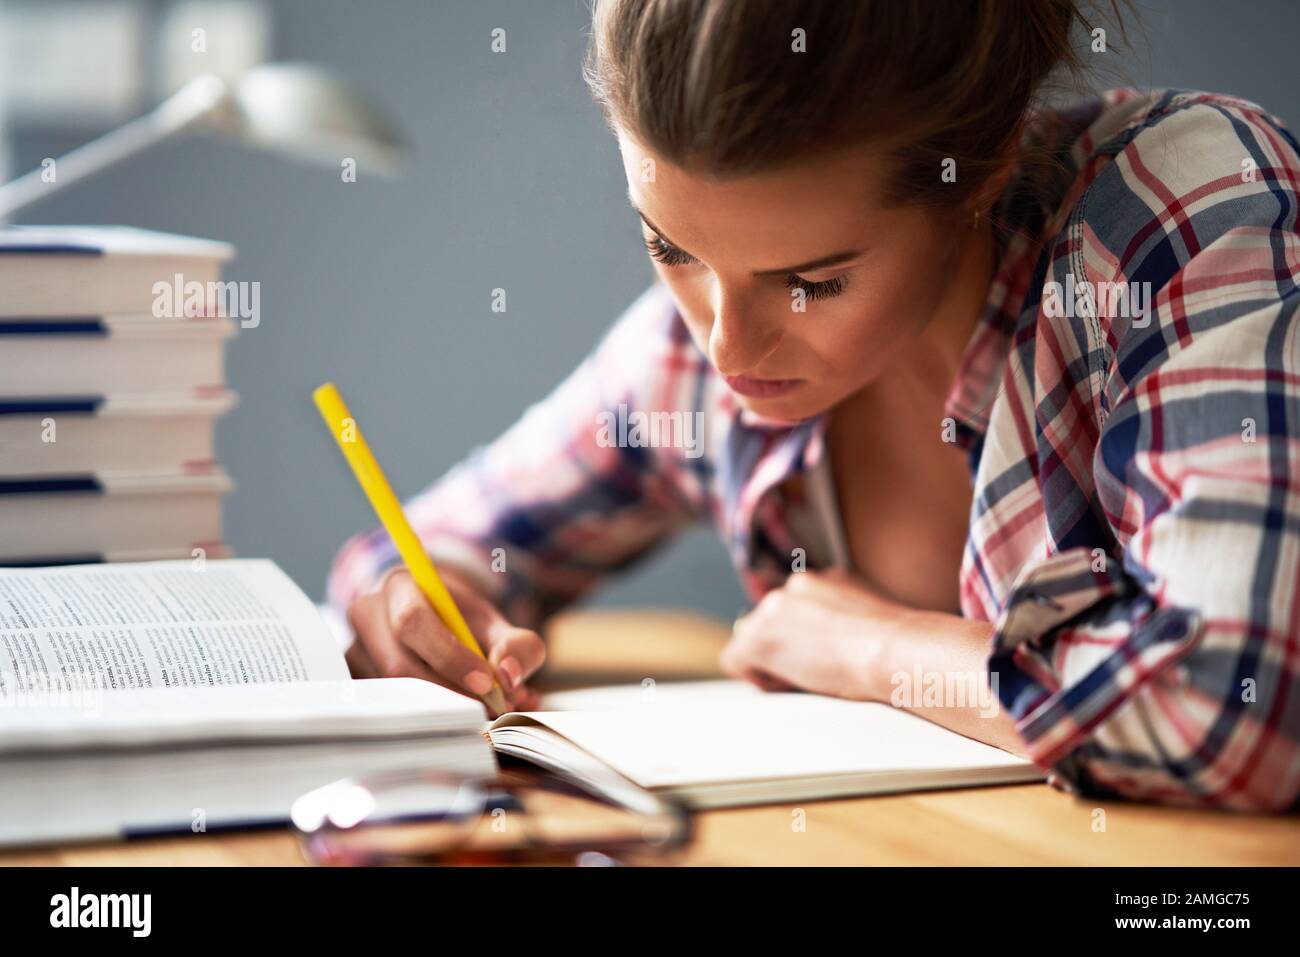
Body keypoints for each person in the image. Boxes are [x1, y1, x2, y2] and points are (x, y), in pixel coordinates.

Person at [328, 0, 1300, 811]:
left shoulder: (1174, 218)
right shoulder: (692, 358)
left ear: (987, 166)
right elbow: (414, 550)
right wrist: (426, 601)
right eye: (670, 250)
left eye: (811, 281)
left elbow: (1230, 709)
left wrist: (873, 648)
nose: (726, 345)